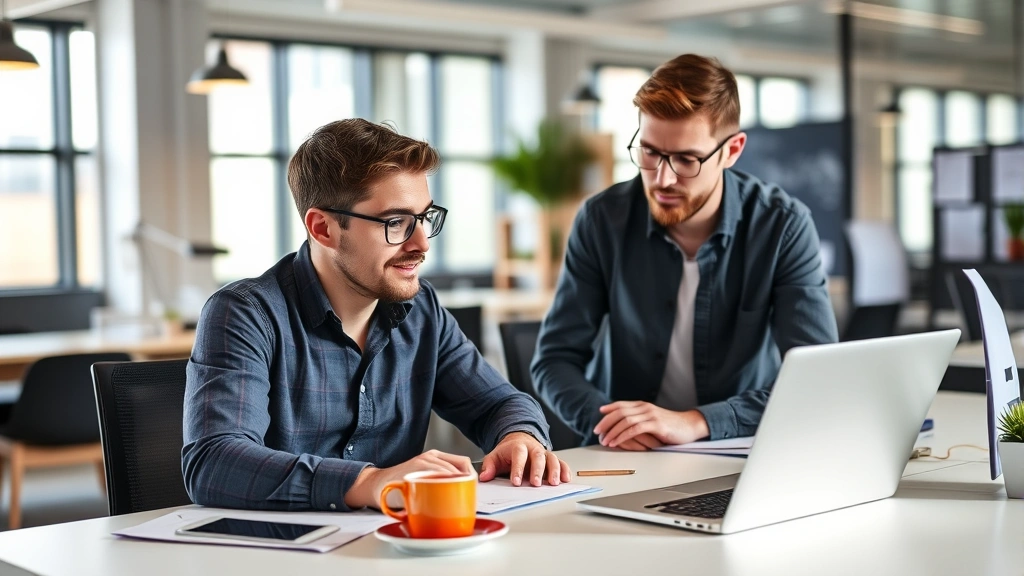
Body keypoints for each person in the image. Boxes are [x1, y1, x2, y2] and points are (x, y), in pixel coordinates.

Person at [183, 119, 570, 512]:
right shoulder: (246, 314)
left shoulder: (422, 310)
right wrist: (368, 483)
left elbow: (497, 403)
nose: (421, 245)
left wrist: (519, 437)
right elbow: (214, 462)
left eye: (424, 218)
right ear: (323, 228)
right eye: (396, 223)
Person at [532, 54, 838, 451]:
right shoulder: (601, 219)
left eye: (686, 159)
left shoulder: (782, 226)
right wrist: (611, 423)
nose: (663, 178)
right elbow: (554, 361)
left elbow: (817, 381)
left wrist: (696, 422)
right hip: (626, 455)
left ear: (732, 150)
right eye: (649, 152)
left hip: (738, 452)